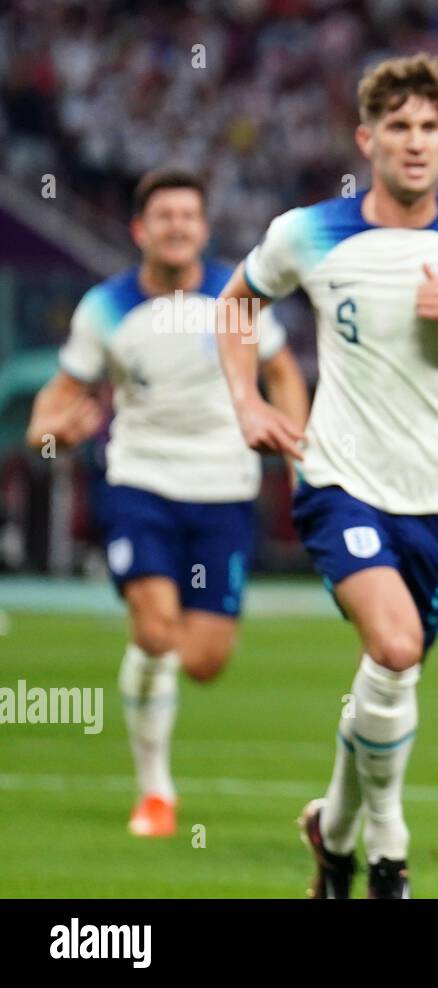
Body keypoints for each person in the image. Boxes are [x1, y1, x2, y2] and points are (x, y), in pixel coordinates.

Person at [215, 53, 438, 898]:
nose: (416, 141)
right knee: (392, 647)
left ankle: (334, 829)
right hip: (338, 478)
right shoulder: (309, 232)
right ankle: (388, 851)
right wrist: (247, 403)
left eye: (430, 126)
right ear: (367, 139)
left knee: (389, 677)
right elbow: (239, 302)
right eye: (398, 126)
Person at [25, 168, 306, 838]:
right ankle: (155, 791)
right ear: (139, 230)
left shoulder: (234, 297)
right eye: (164, 216)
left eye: (188, 216)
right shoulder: (106, 306)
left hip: (223, 492)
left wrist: (297, 451)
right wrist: (51, 434)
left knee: (204, 660)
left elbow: (283, 371)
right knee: (154, 630)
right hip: (139, 485)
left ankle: (150, 679)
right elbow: (55, 402)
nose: (177, 226)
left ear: (204, 229)